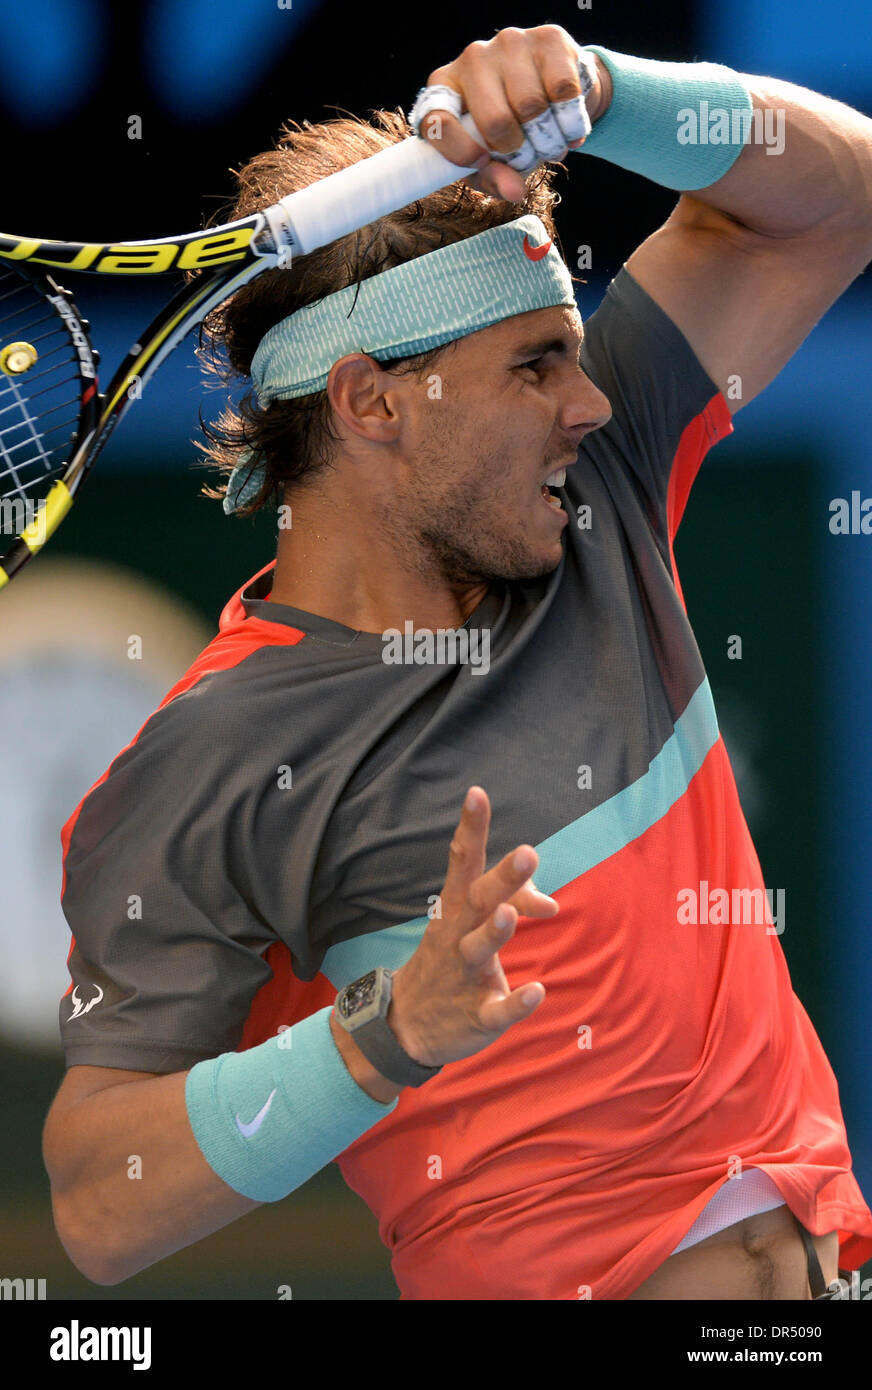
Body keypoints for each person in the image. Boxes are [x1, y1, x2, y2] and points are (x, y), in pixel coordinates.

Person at [44, 25, 872, 1299]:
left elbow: (836, 199)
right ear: (372, 402)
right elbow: (103, 1204)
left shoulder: (601, 489)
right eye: (534, 367)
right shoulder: (211, 755)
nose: (586, 404)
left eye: (577, 358)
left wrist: (606, 92)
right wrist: (383, 1040)